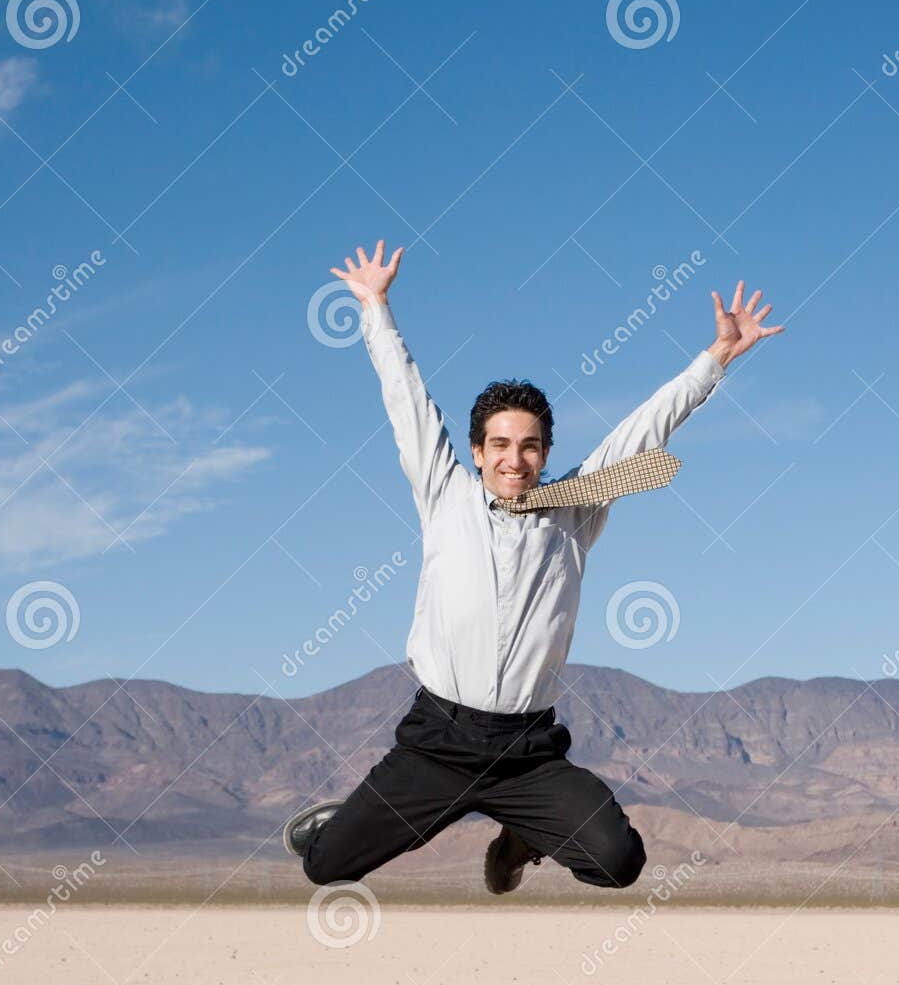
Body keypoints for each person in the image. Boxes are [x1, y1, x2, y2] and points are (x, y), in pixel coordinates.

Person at [284, 241, 783, 895]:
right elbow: (405, 401)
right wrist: (375, 307)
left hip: (525, 752)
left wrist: (715, 357)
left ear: (545, 453)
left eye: (528, 446)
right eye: (499, 445)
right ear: (476, 451)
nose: (513, 460)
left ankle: (524, 834)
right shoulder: (445, 493)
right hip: (438, 743)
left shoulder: (575, 506)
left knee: (618, 862)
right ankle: (350, 822)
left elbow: (643, 432)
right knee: (325, 866)